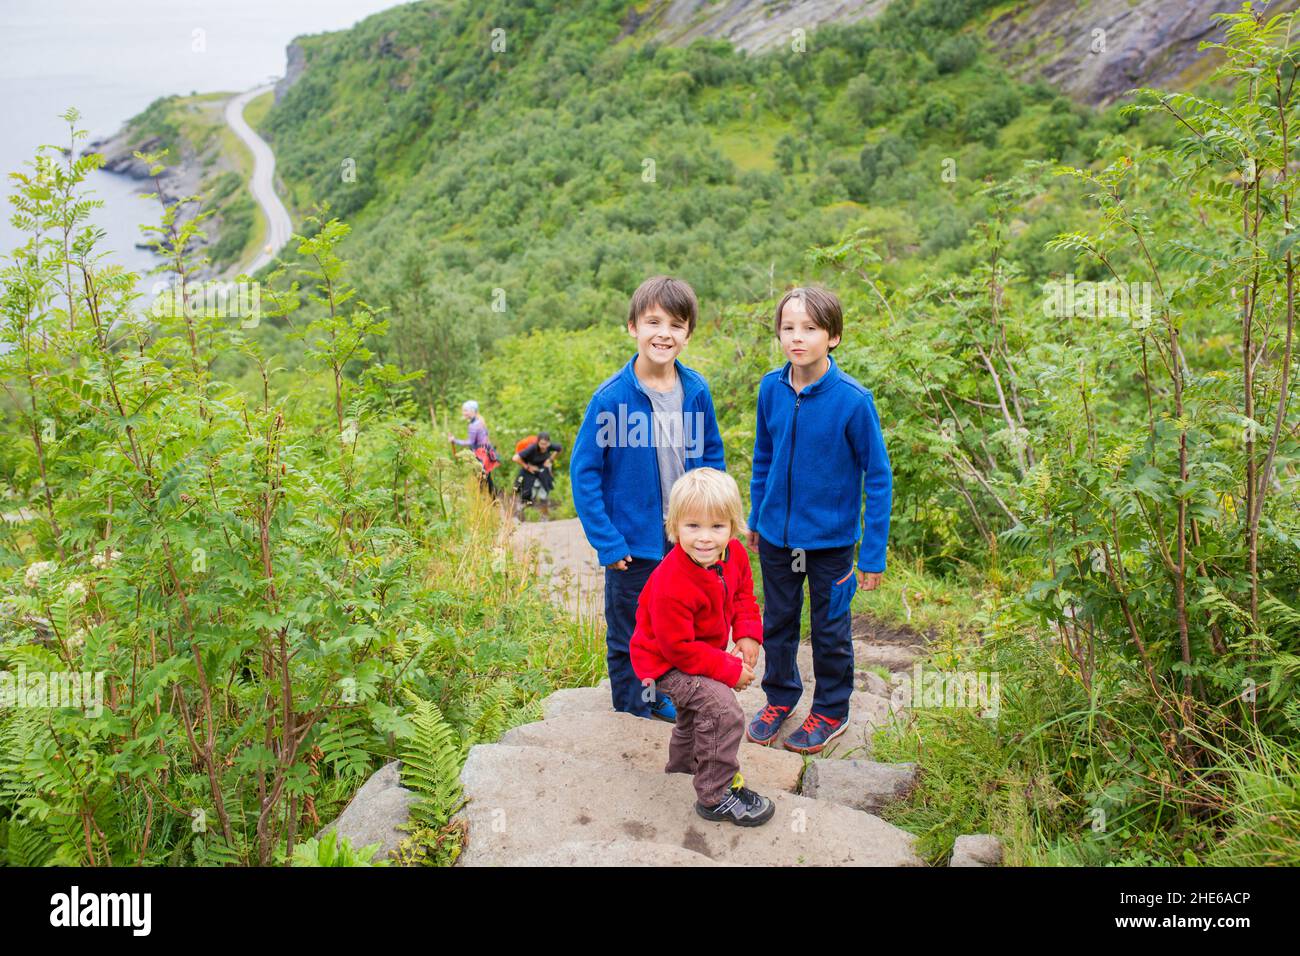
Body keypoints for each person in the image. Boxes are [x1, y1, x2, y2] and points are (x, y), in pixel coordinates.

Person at [570, 275, 726, 723]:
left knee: (680, 624)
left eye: (676, 325)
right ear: (632, 326)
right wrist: (608, 540)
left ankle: (671, 694)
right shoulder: (611, 398)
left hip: (686, 538)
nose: (664, 333)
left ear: (688, 334)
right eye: (653, 321)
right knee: (631, 629)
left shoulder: (695, 391)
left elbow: (711, 453)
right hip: (633, 543)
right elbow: (584, 474)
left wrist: (711, 520)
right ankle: (633, 707)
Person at [744, 286, 893, 754]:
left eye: (809, 328)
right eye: (788, 328)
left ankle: (831, 709)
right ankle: (780, 697)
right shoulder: (771, 387)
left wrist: (872, 553)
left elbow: (879, 477)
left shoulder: (852, 400)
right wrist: (756, 514)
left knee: (830, 628)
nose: (797, 338)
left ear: (833, 337)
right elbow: (763, 456)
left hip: (831, 543)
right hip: (777, 538)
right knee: (780, 622)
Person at [629, 467, 774, 826]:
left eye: (717, 527)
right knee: (723, 710)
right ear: (675, 526)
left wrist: (747, 633)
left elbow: (742, 595)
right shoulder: (670, 582)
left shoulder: (735, 554)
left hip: (697, 651)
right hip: (665, 662)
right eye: (693, 526)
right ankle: (715, 794)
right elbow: (679, 649)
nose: (706, 538)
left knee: (695, 716)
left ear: (733, 526)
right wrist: (730, 671)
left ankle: (681, 769)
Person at [448, 400, 501, 499]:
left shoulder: (474, 425)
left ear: (473, 411)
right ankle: (491, 500)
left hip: (481, 454)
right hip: (486, 451)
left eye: (466, 411)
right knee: (486, 478)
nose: (464, 413)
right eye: (463, 411)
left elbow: (470, 442)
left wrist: (454, 440)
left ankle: (489, 501)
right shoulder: (480, 421)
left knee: (482, 479)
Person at [512, 432, 562, 520]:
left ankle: (544, 517)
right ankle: (518, 515)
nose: (544, 446)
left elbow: (559, 449)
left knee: (544, 495)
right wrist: (527, 466)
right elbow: (515, 458)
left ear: (549, 443)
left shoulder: (549, 446)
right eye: (542, 444)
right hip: (529, 473)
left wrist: (550, 460)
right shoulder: (532, 448)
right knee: (529, 496)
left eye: (546, 444)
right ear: (538, 442)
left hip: (542, 472)